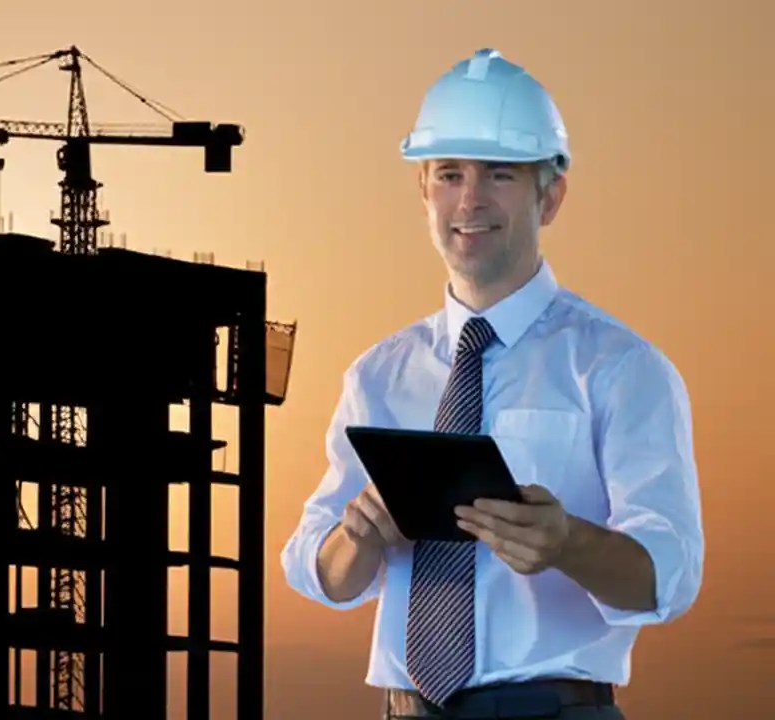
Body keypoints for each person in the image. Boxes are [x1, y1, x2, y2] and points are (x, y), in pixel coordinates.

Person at [279, 48, 705, 720]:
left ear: (551, 194)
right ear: (423, 189)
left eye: (500, 174)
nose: (470, 200)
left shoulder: (623, 369)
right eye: (449, 174)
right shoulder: (378, 375)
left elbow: (669, 578)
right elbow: (320, 574)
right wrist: (356, 538)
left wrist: (569, 544)